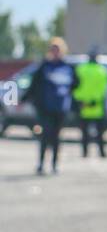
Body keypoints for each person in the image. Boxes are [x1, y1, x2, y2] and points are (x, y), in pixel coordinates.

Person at [23, 37, 76, 175]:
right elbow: (34, 84)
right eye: (53, 49)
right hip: (45, 108)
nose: (55, 52)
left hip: (61, 108)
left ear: (62, 51)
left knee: (56, 136)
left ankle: (54, 164)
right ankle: (41, 164)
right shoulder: (44, 66)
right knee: (45, 134)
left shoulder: (68, 67)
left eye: (57, 49)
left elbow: (75, 84)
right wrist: (24, 99)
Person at [73, 50, 107, 158]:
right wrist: (95, 100)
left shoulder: (80, 69)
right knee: (100, 132)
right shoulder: (102, 70)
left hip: (83, 105)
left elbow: (74, 86)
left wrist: (79, 100)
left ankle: (85, 153)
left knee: (84, 132)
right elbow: (104, 88)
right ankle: (102, 152)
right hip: (97, 106)